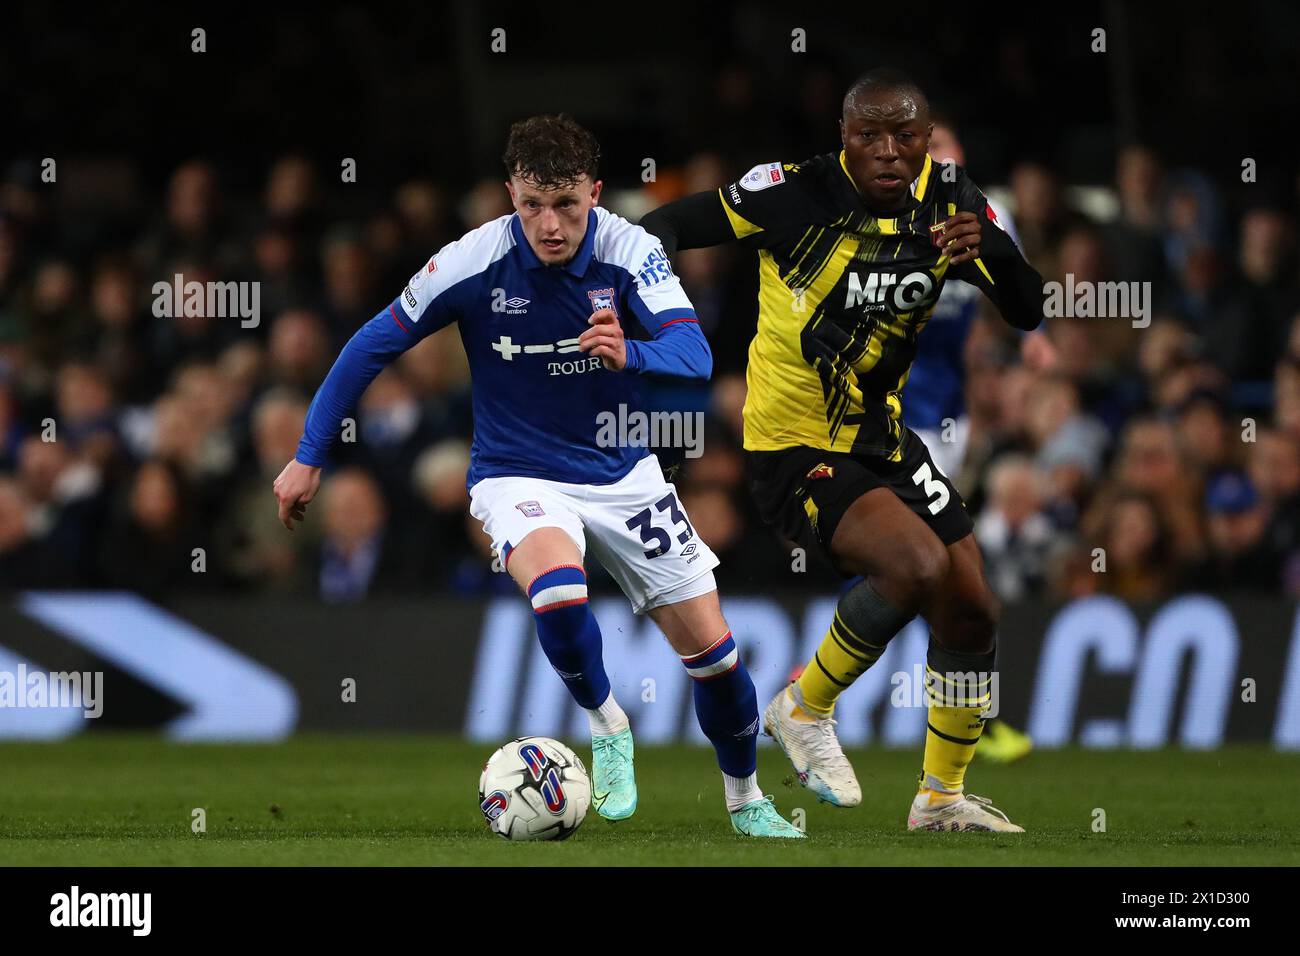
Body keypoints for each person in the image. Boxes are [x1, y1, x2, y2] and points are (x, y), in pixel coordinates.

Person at [273, 115, 800, 838]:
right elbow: (372, 343)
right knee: (558, 594)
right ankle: (607, 724)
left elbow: (695, 356)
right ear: (510, 195)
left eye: (566, 206)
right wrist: (309, 455)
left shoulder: (631, 248)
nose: (549, 226)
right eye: (531, 206)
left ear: (594, 191)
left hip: (624, 472)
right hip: (516, 471)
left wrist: (633, 355)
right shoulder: (472, 259)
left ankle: (746, 802)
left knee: (716, 659)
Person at [642, 69, 1045, 832]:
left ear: (927, 140)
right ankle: (803, 706)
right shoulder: (789, 195)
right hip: (790, 443)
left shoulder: (954, 200)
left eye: (905, 136)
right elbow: (661, 228)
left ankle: (941, 798)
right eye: (870, 137)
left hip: (883, 439)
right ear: (844, 140)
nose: (889, 152)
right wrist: (658, 321)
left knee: (971, 610)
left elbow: (1028, 310)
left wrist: (988, 249)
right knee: (915, 566)